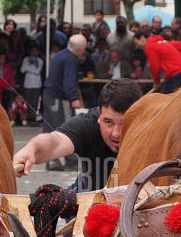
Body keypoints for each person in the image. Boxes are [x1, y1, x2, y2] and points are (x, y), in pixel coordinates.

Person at [14, 80, 142, 191]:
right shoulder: (87, 124)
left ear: (141, 119)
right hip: (89, 194)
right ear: (99, 115)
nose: (116, 133)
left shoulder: (150, 130)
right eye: (108, 122)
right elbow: (55, 142)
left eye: (124, 123)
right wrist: (32, 149)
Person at [42, 35, 86, 146]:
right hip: (58, 98)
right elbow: (68, 80)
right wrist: (73, 98)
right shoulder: (71, 59)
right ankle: (66, 154)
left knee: (49, 128)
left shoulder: (60, 54)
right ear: (81, 48)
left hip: (49, 95)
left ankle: (48, 153)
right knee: (64, 128)